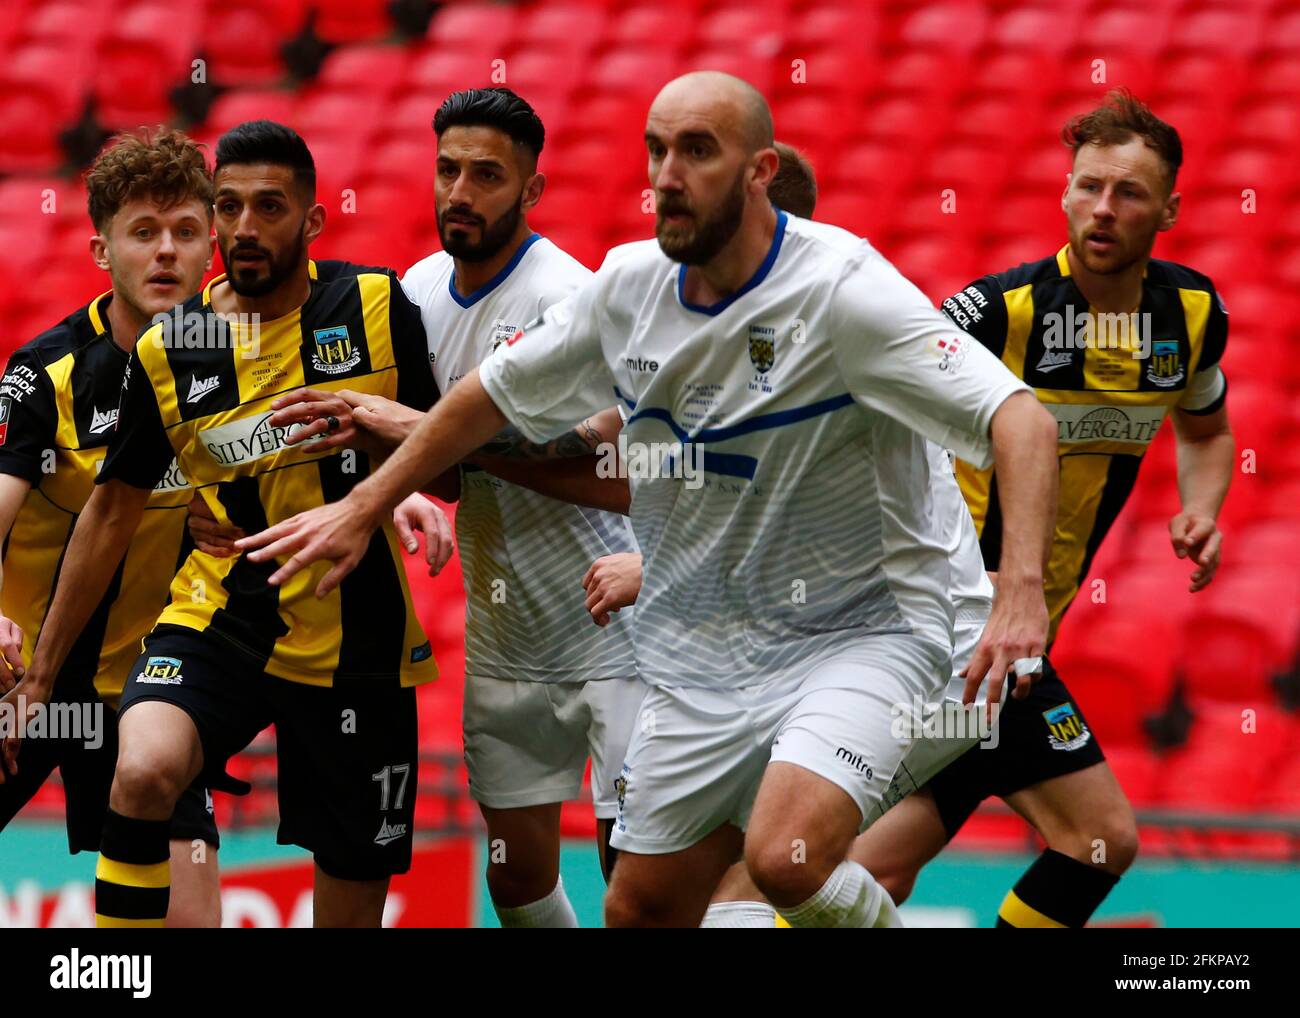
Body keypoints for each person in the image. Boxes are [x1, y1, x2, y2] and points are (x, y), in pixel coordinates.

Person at [235, 72, 1060, 929]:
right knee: (639, 908)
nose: (668, 173)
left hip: (872, 628)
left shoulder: (841, 290)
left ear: (759, 171)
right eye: (657, 150)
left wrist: (1023, 589)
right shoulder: (628, 289)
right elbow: (488, 398)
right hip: (705, 649)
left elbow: (1020, 418)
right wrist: (368, 504)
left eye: (698, 151)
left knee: (783, 858)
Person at [4, 120, 442, 928]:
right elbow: (108, 507)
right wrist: (34, 671)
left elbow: (453, 454)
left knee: (324, 893)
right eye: (229, 207)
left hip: (352, 636)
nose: (243, 227)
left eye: (267, 207)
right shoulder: (146, 354)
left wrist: (396, 470)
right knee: (145, 771)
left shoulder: (377, 306)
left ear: (310, 221)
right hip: (171, 633)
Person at [254, 87, 642, 926]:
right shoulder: (418, 293)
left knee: (635, 879)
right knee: (517, 880)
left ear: (532, 191)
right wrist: (395, 477)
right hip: (509, 632)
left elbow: (622, 471)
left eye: (488, 175)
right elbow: (443, 467)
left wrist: (421, 431)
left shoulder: (569, 298)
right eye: (448, 169)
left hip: (619, 630)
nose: (460, 192)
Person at [851, 89, 1235, 928]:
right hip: (953, 632)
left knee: (874, 871)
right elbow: (859, 425)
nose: (1104, 209)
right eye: (1089, 186)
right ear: (1063, 193)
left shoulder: (1194, 318)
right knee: (1099, 837)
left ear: (1168, 209)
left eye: (1129, 193)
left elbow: (1206, 430)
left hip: (1020, 642)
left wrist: (1200, 506)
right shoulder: (996, 312)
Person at [0, 128, 222, 926]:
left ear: (212, 246)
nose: (166, 253)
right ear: (102, 250)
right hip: (18, 683)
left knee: (191, 923)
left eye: (186, 232)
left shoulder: (236, 365)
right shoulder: (45, 370)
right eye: (143, 233)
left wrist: (392, 494)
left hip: (144, 696)